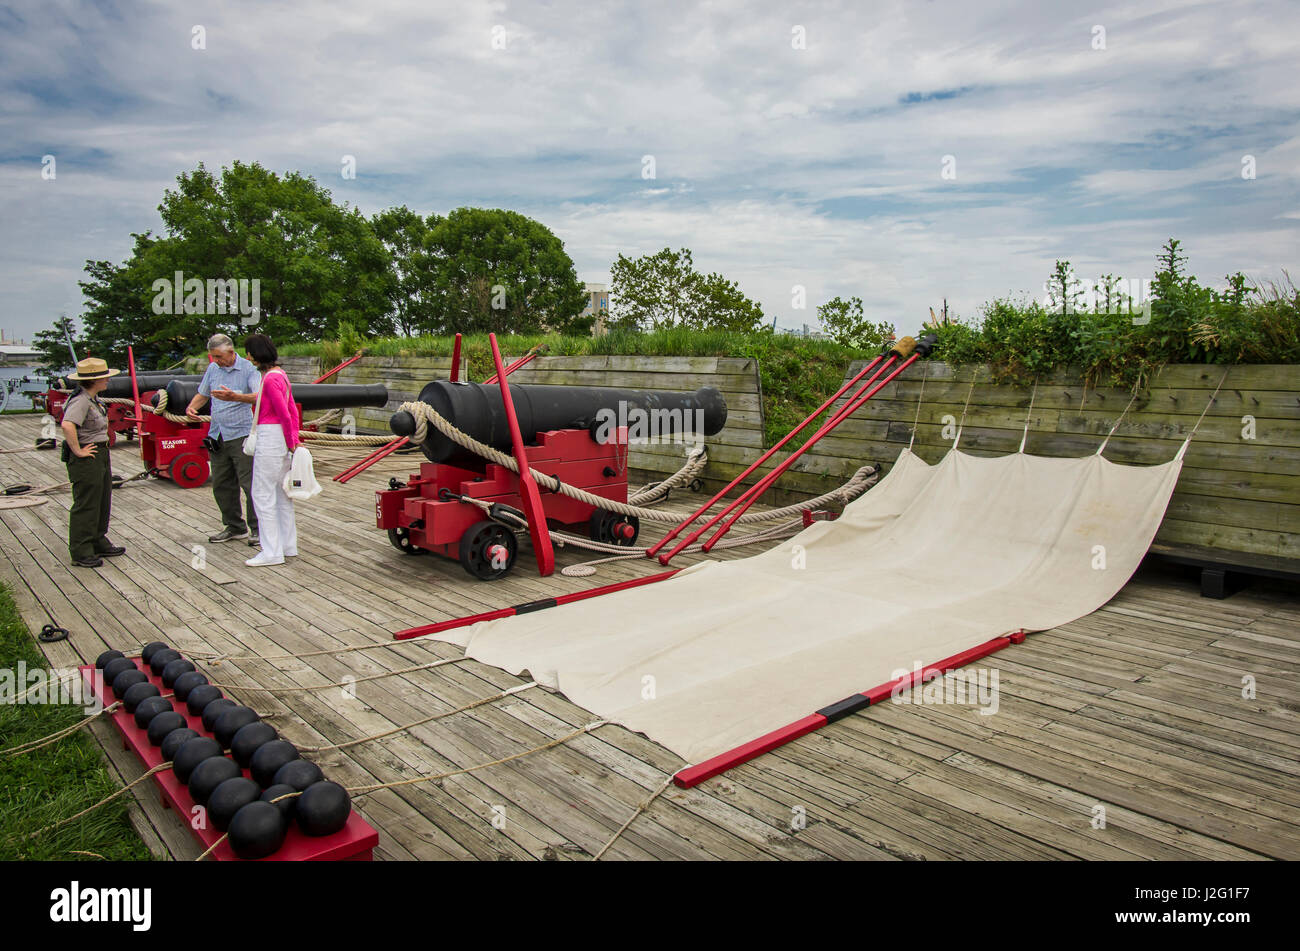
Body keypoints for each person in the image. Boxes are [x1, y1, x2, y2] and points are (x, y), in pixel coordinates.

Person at [185, 334, 262, 546]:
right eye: (213, 357)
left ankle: (257, 529)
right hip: (217, 434)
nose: (216, 360)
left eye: (219, 356)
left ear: (230, 351)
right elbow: (204, 393)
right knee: (221, 483)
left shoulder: (249, 369)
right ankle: (234, 526)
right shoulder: (213, 369)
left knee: (249, 483)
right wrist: (193, 406)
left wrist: (235, 397)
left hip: (241, 433)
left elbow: (259, 395)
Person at [60, 357, 126, 567]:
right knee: (87, 502)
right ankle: (81, 550)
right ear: (95, 380)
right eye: (104, 377)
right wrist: (78, 451)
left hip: (100, 453)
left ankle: (97, 540)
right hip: (88, 456)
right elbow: (68, 425)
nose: (107, 380)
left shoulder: (92, 399)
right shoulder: (80, 401)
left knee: (102, 498)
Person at [244, 334, 300, 567]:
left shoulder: (268, 380)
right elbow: (292, 411)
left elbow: (283, 413)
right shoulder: (281, 375)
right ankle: (288, 545)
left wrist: (290, 441)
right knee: (281, 493)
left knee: (262, 494)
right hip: (281, 438)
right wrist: (293, 440)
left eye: (249, 352)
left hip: (271, 436)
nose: (247, 356)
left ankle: (271, 552)